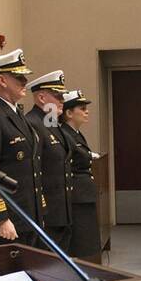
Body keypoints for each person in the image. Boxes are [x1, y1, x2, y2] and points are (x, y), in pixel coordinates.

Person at [0, 49, 44, 246]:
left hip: (27, 215)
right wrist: (1, 218)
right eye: (19, 77)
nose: (25, 82)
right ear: (2, 81)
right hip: (8, 222)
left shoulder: (18, 115)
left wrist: (39, 207)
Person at [27, 70, 74, 250]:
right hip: (48, 211)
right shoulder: (33, 123)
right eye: (57, 95)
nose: (62, 100)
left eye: (62, 95)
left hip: (61, 209)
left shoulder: (50, 122)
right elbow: (35, 169)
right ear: (41, 97)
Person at [62, 89, 101, 260]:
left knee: (87, 244)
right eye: (82, 108)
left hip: (84, 195)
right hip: (76, 196)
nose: (87, 112)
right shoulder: (65, 134)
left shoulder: (75, 133)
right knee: (80, 245)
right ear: (69, 113)